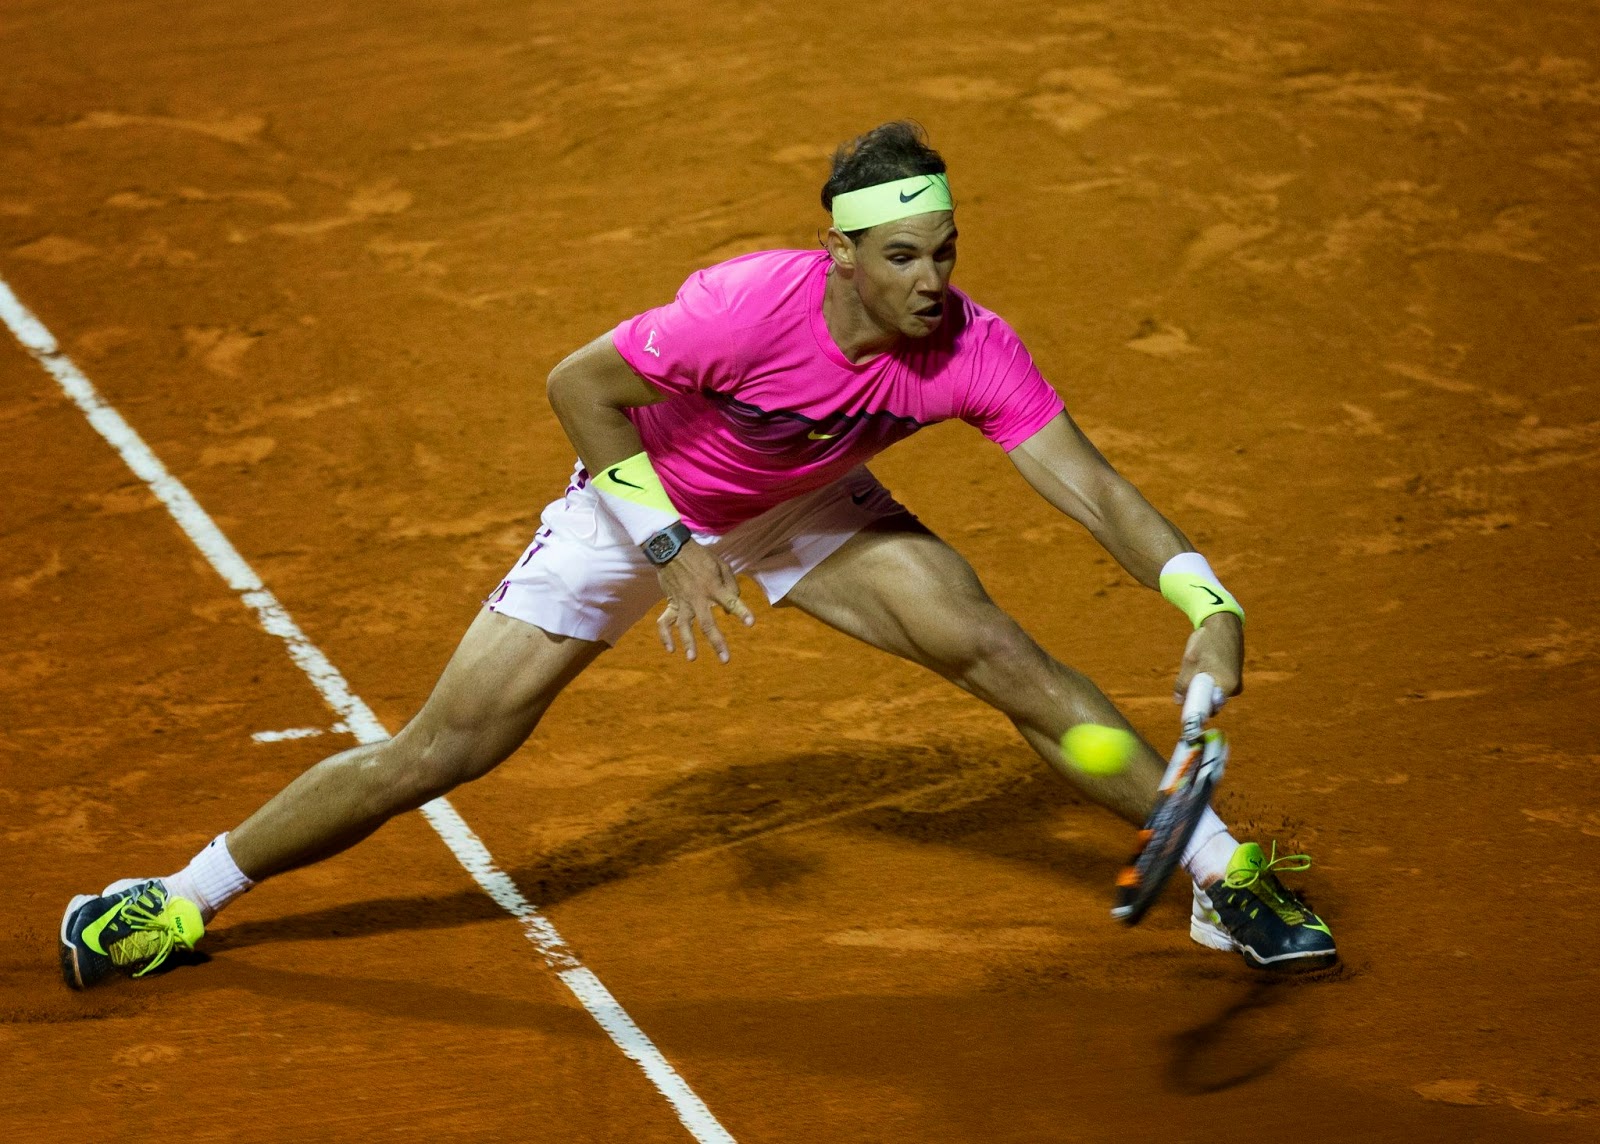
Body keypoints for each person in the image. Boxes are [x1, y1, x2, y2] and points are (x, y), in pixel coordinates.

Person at [59, 121, 1336, 989]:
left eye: (946, 251)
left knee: (996, 647)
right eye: (903, 256)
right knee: (439, 751)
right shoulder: (739, 308)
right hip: (639, 506)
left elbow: (1098, 495)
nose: (932, 281)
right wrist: (668, 542)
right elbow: (577, 388)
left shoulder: (970, 346)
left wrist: (1206, 599)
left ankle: (1218, 874)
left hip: (807, 506)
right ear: (841, 251)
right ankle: (180, 899)